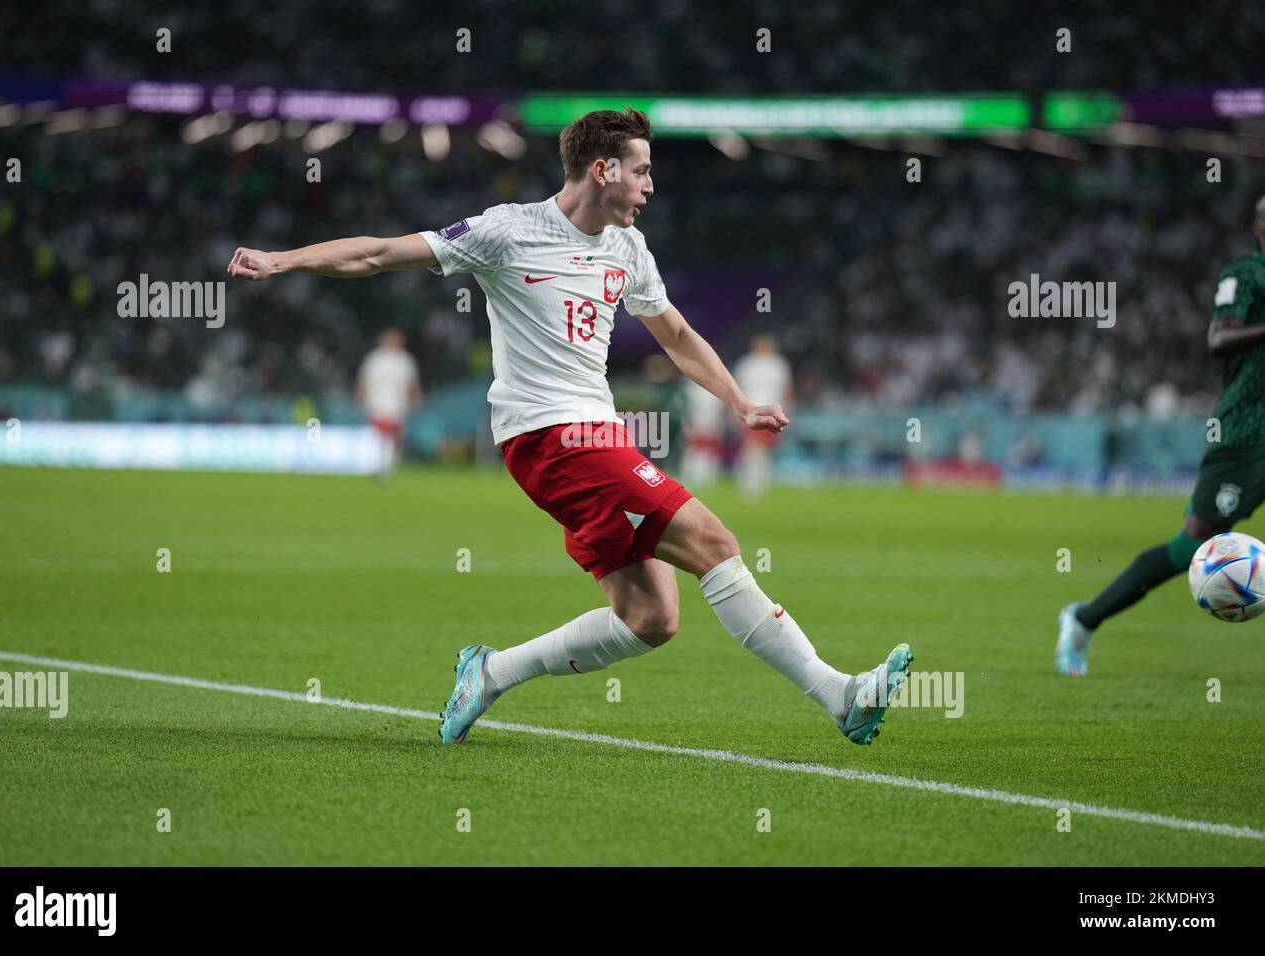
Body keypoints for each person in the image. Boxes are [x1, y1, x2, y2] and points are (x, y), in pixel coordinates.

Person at [228, 107, 911, 745]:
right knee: (713, 539)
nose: (649, 185)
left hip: (595, 433)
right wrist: (283, 261)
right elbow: (379, 254)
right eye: (641, 169)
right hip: (550, 436)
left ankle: (492, 671)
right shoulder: (507, 230)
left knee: (652, 619)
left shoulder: (629, 248)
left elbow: (673, 333)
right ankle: (839, 694)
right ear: (602, 170)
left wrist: (738, 401)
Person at [1057, 194, 1265, 675]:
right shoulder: (1246, 275)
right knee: (1191, 547)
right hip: (1245, 435)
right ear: (1258, 226)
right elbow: (1219, 338)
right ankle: (1084, 619)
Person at [734, 334, 793, 500]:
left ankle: (761, 480)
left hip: (774, 409)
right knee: (752, 447)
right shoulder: (747, 364)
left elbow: (786, 389)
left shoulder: (778, 364)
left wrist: (787, 409)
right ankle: (750, 482)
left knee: (765, 448)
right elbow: (738, 387)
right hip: (752, 409)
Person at [356, 328, 421, 476]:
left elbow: (412, 385)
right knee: (379, 435)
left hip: (397, 404)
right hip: (376, 403)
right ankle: (379, 463)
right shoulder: (374, 360)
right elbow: (363, 382)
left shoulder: (405, 361)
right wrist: (361, 398)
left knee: (392, 435)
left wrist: (415, 399)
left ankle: (388, 464)